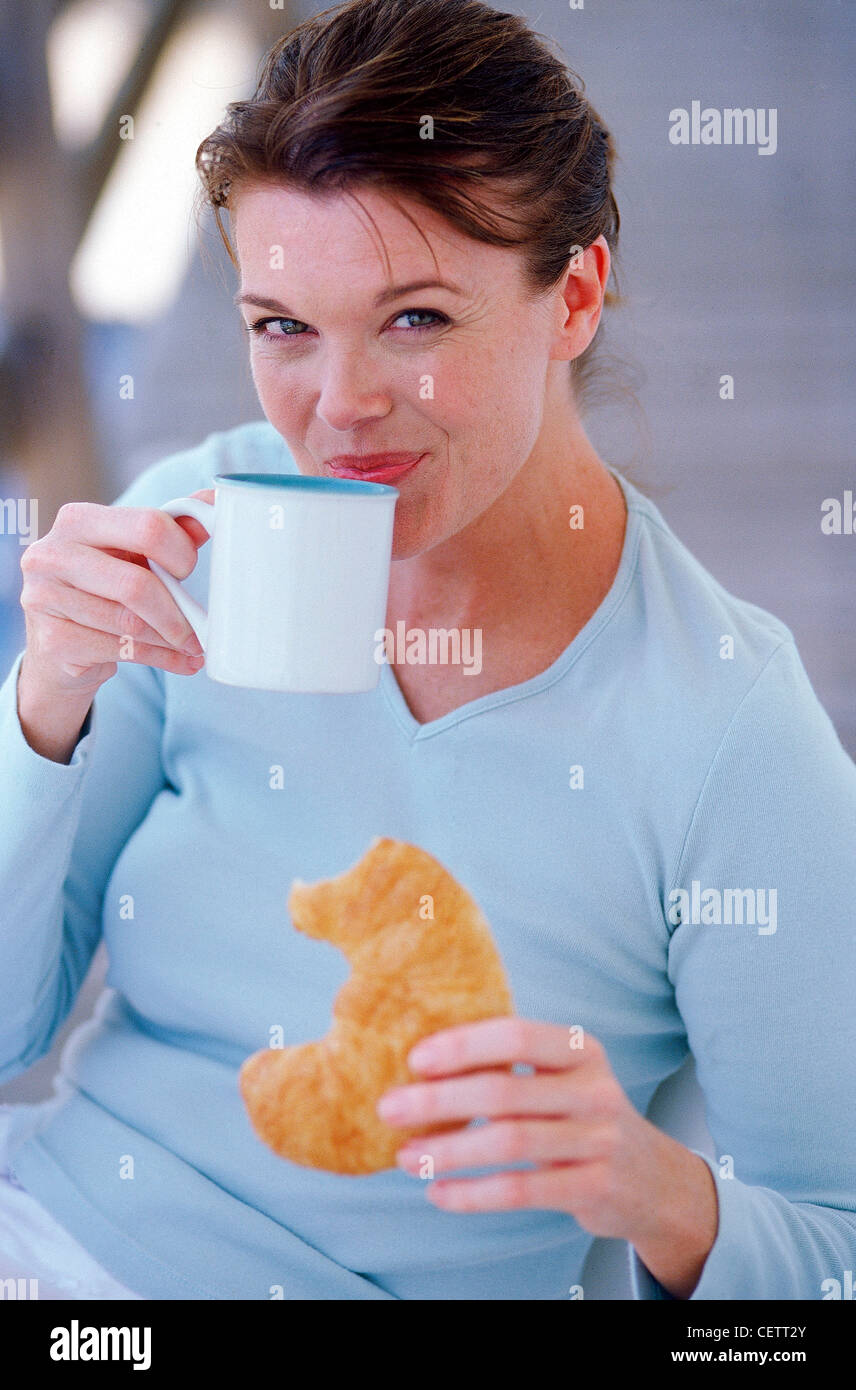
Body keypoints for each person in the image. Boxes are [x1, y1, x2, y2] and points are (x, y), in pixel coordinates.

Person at [1, 0, 854, 1301]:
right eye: (282, 324)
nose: (337, 408)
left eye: (415, 320)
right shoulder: (195, 532)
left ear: (573, 296)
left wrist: (664, 1194)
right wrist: (40, 707)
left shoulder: (726, 724)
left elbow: (834, 1248)